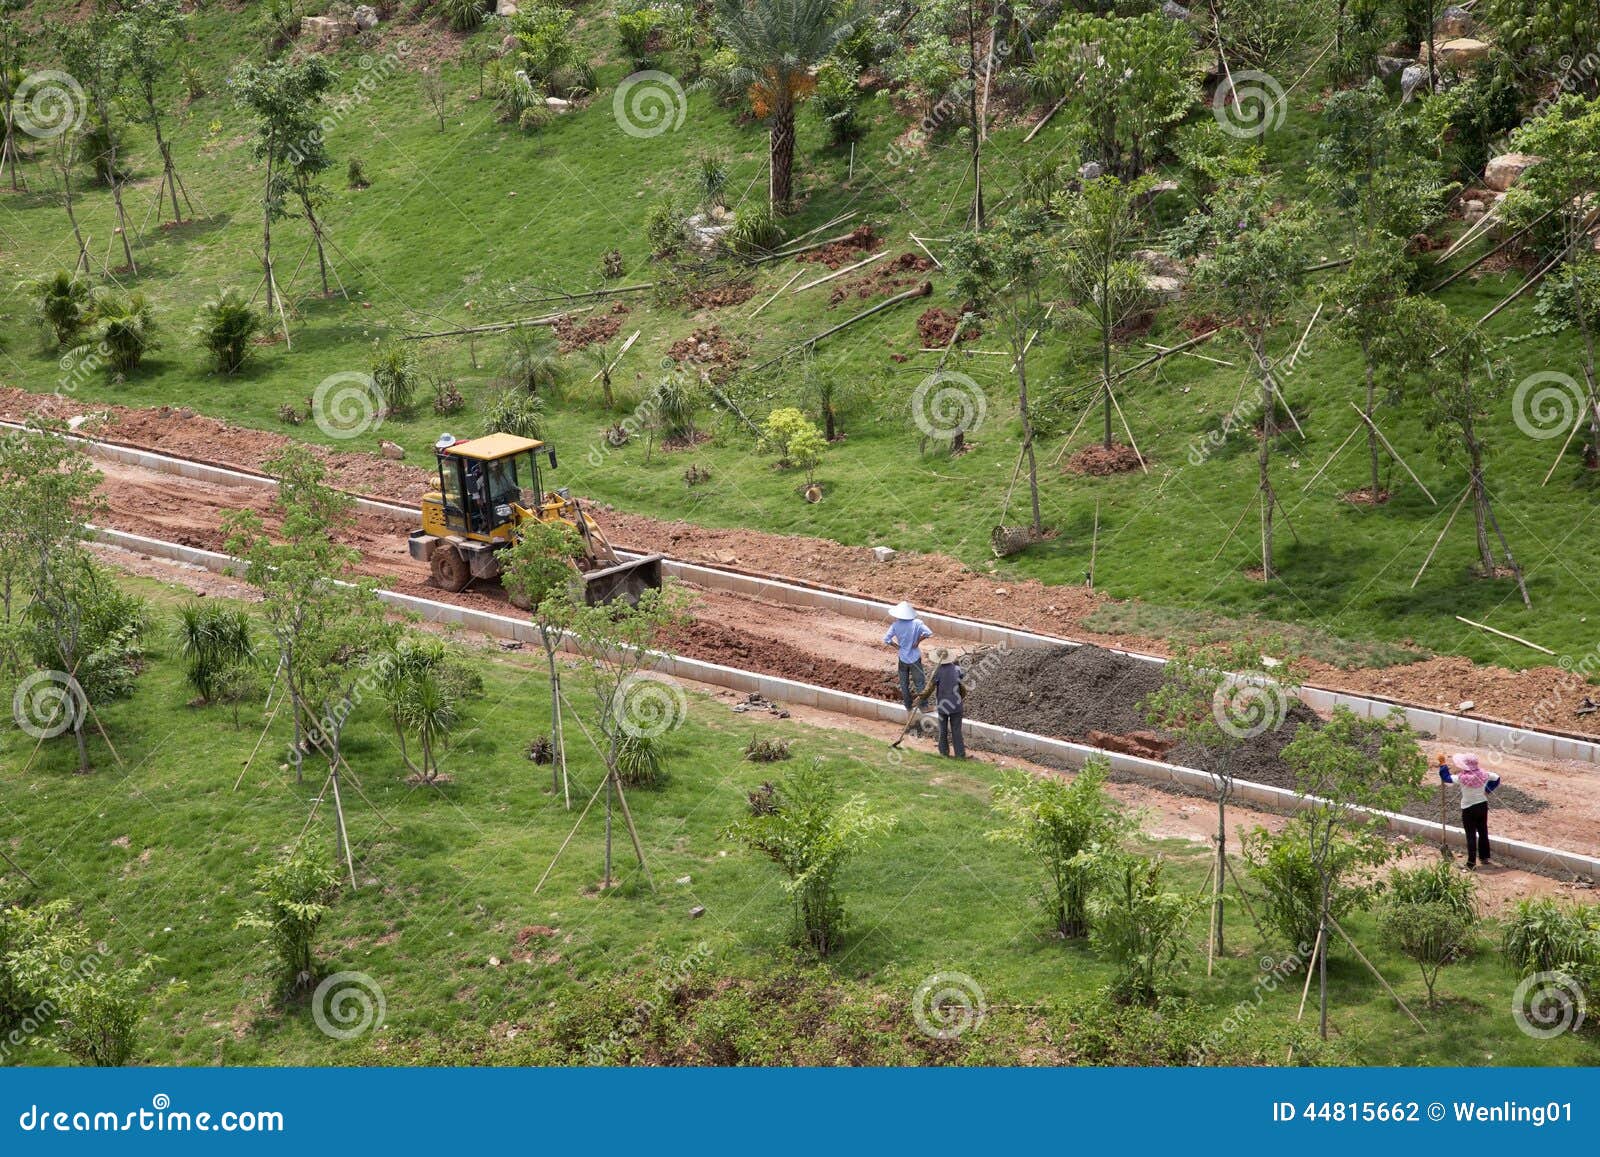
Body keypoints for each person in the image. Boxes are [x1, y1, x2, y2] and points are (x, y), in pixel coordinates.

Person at [1438, 752, 1501, 869]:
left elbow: (1446, 778)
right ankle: (1484, 856)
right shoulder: (1484, 774)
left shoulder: (1461, 778)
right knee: (1483, 831)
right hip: (1482, 806)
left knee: (1471, 835)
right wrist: (1488, 790)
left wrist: (1443, 765)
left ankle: (1471, 863)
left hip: (1468, 809)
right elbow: (1497, 778)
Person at [913, 647, 967, 759]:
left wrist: (921, 698)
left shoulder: (937, 671)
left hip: (943, 706)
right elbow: (962, 686)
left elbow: (929, 689)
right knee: (956, 730)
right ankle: (960, 755)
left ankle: (944, 753)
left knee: (943, 730)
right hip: (956, 705)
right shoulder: (957, 669)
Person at [883, 601, 933, 711]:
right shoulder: (917, 623)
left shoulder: (895, 625)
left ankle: (908, 705)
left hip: (903, 658)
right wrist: (918, 641)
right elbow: (929, 633)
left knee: (904, 683)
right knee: (919, 683)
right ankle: (923, 706)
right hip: (914, 658)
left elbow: (886, 639)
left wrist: (897, 646)